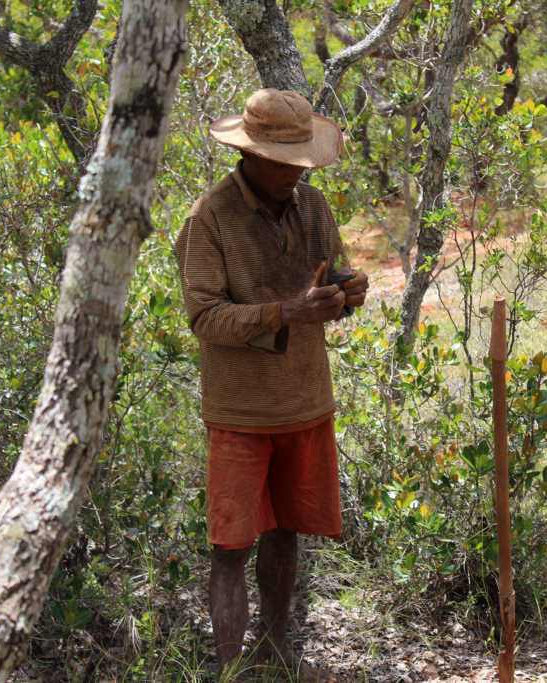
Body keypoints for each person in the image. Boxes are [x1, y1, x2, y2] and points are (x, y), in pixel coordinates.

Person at [175, 89, 369, 681]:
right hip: (239, 412)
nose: (295, 171)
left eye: (301, 161)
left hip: (305, 402)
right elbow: (204, 318)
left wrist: (345, 293)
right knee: (229, 548)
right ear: (249, 155)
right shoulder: (208, 219)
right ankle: (232, 672)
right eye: (283, 162)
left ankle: (278, 652)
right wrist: (286, 311)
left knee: (286, 533)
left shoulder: (313, 206)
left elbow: (324, 286)